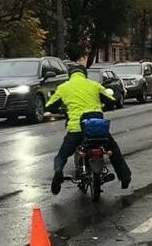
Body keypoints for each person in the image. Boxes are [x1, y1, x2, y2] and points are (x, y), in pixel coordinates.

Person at [47, 64, 132, 194]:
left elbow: (50, 106)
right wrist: (101, 106)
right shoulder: (94, 85)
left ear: (70, 75)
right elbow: (111, 101)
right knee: (113, 149)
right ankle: (125, 176)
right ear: (85, 74)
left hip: (76, 129)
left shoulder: (63, 88)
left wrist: (62, 108)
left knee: (62, 155)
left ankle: (58, 172)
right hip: (97, 127)